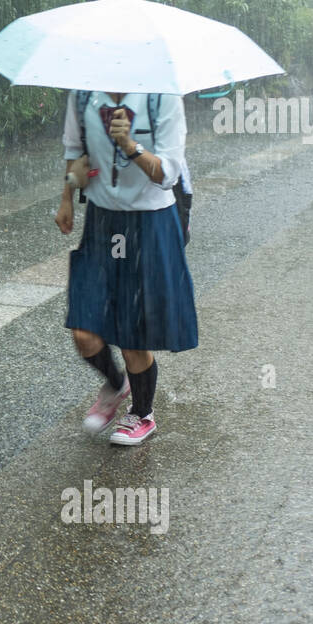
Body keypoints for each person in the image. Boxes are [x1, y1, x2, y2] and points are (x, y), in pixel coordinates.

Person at [54, 90, 198, 444]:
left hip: (150, 222)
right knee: (83, 330)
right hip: (102, 221)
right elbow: (75, 151)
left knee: (133, 336)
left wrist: (130, 145)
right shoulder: (84, 94)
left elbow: (168, 174)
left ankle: (142, 413)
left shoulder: (161, 99)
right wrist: (67, 198)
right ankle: (116, 385)